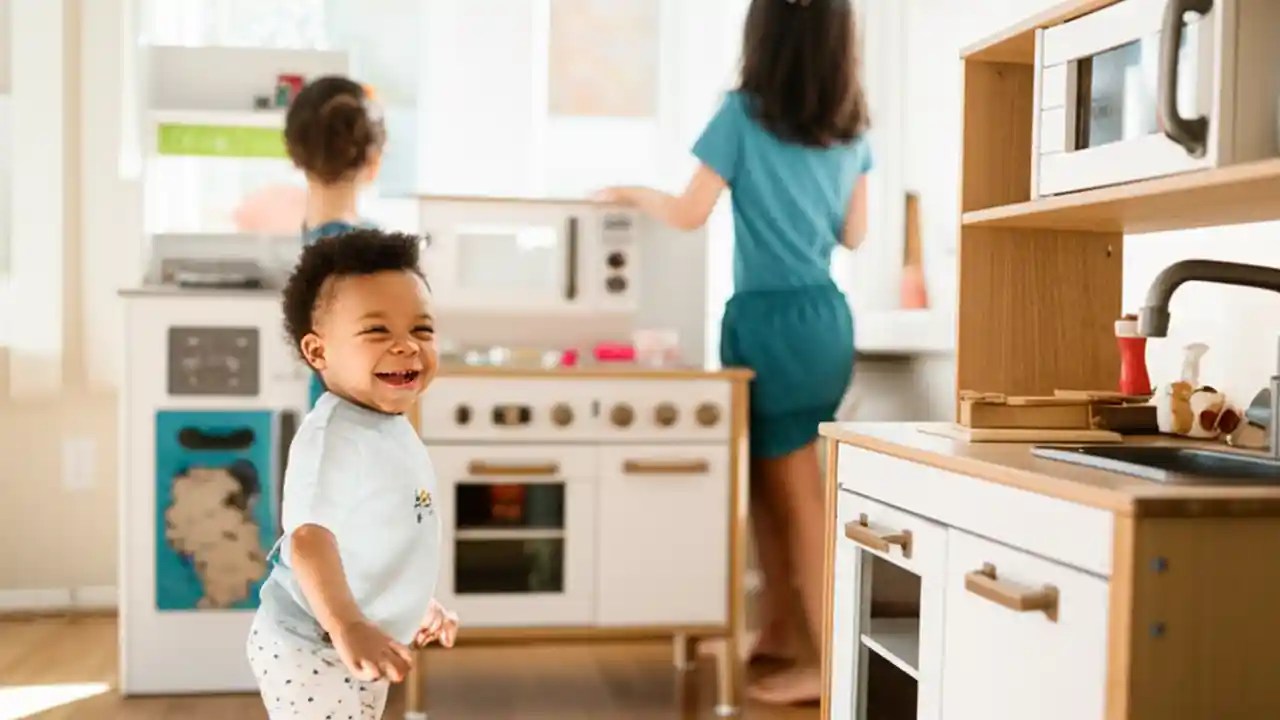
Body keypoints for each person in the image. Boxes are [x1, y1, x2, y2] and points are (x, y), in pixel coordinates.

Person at [596, 0, 871, 705]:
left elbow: (689, 212)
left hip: (767, 323)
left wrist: (628, 191)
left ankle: (833, 668)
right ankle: (782, 634)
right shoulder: (852, 129)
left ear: (764, 34)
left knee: (798, 498)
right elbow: (854, 236)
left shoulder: (742, 115)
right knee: (772, 490)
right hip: (825, 319)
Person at [248, 229, 458, 719]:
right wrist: (347, 626)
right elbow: (308, 541)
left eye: (422, 330)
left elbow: (381, 532)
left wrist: (412, 605)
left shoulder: (386, 425)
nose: (406, 346)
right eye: (377, 332)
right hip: (312, 644)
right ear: (318, 353)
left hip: (351, 635)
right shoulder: (335, 439)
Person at [283, 75, 386, 408]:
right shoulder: (371, 254)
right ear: (372, 161)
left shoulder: (301, 245)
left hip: (320, 430)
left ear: (295, 154)